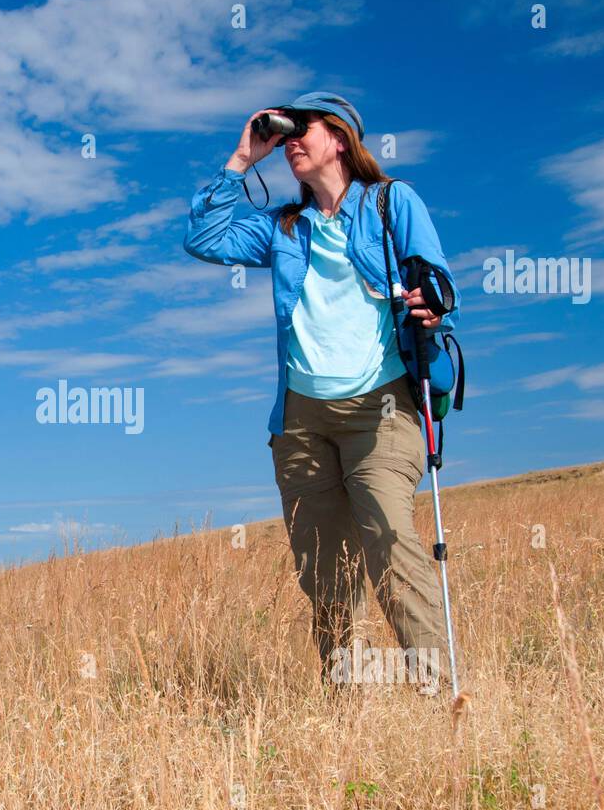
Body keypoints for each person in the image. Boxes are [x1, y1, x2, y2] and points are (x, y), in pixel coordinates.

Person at [182, 92, 461, 693]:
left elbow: (438, 282)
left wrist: (433, 307)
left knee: (390, 543)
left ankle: (443, 703)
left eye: (300, 130)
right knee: (325, 574)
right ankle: (346, 714)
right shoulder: (284, 228)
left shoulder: (391, 203)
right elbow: (204, 237)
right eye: (283, 137)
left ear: (339, 137)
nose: (290, 144)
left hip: (381, 407)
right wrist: (241, 159)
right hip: (302, 420)